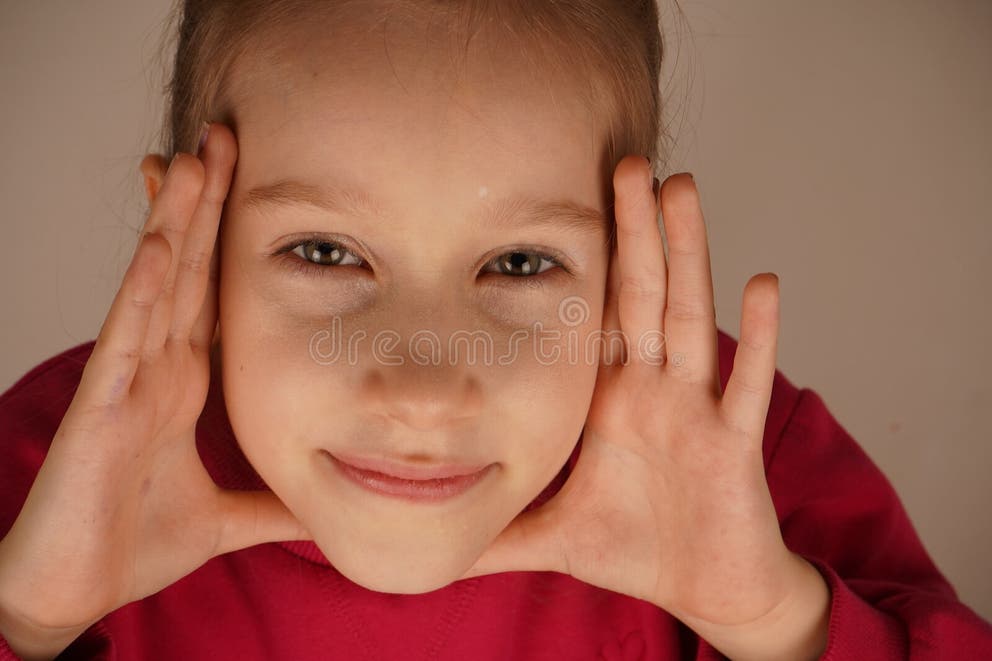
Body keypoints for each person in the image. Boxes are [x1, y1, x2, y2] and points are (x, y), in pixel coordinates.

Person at [1, 1, 991, 659]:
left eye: (518, 263)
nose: (423, 390)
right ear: (191, 239)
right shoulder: (73, 459)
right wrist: (25, 617)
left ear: (621, 261)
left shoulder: (720, 452)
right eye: (326, 253)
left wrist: (773, 624)